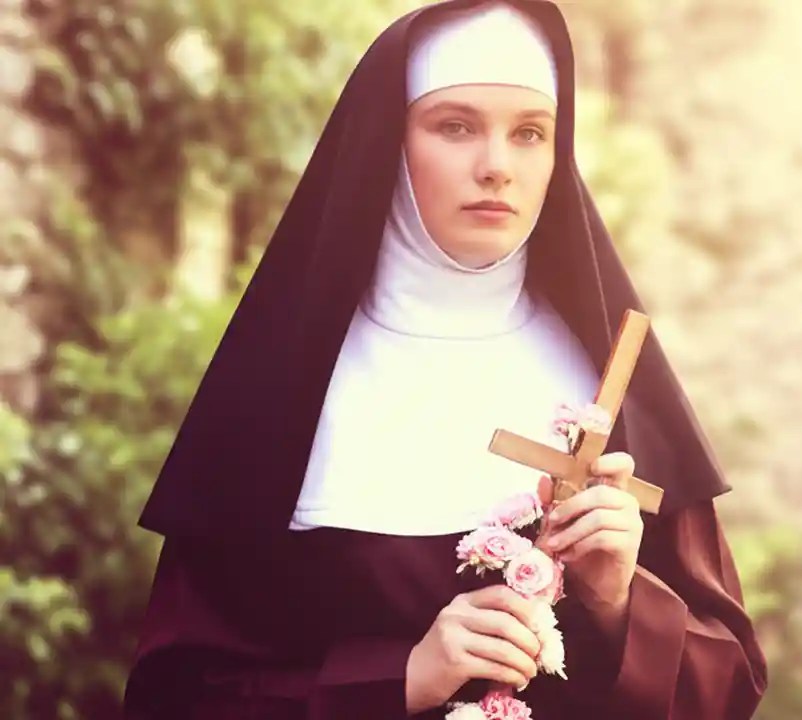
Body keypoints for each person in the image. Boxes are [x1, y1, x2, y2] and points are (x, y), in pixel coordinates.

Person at [122, 1, 767, 718]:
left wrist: (620, 604)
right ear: (389, 147)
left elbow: (729, 689)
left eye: (530, 133)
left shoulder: (613, 399)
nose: (496, 166)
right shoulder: (280, 402)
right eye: (455, 127)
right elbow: (175, 699)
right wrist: (398, 681)